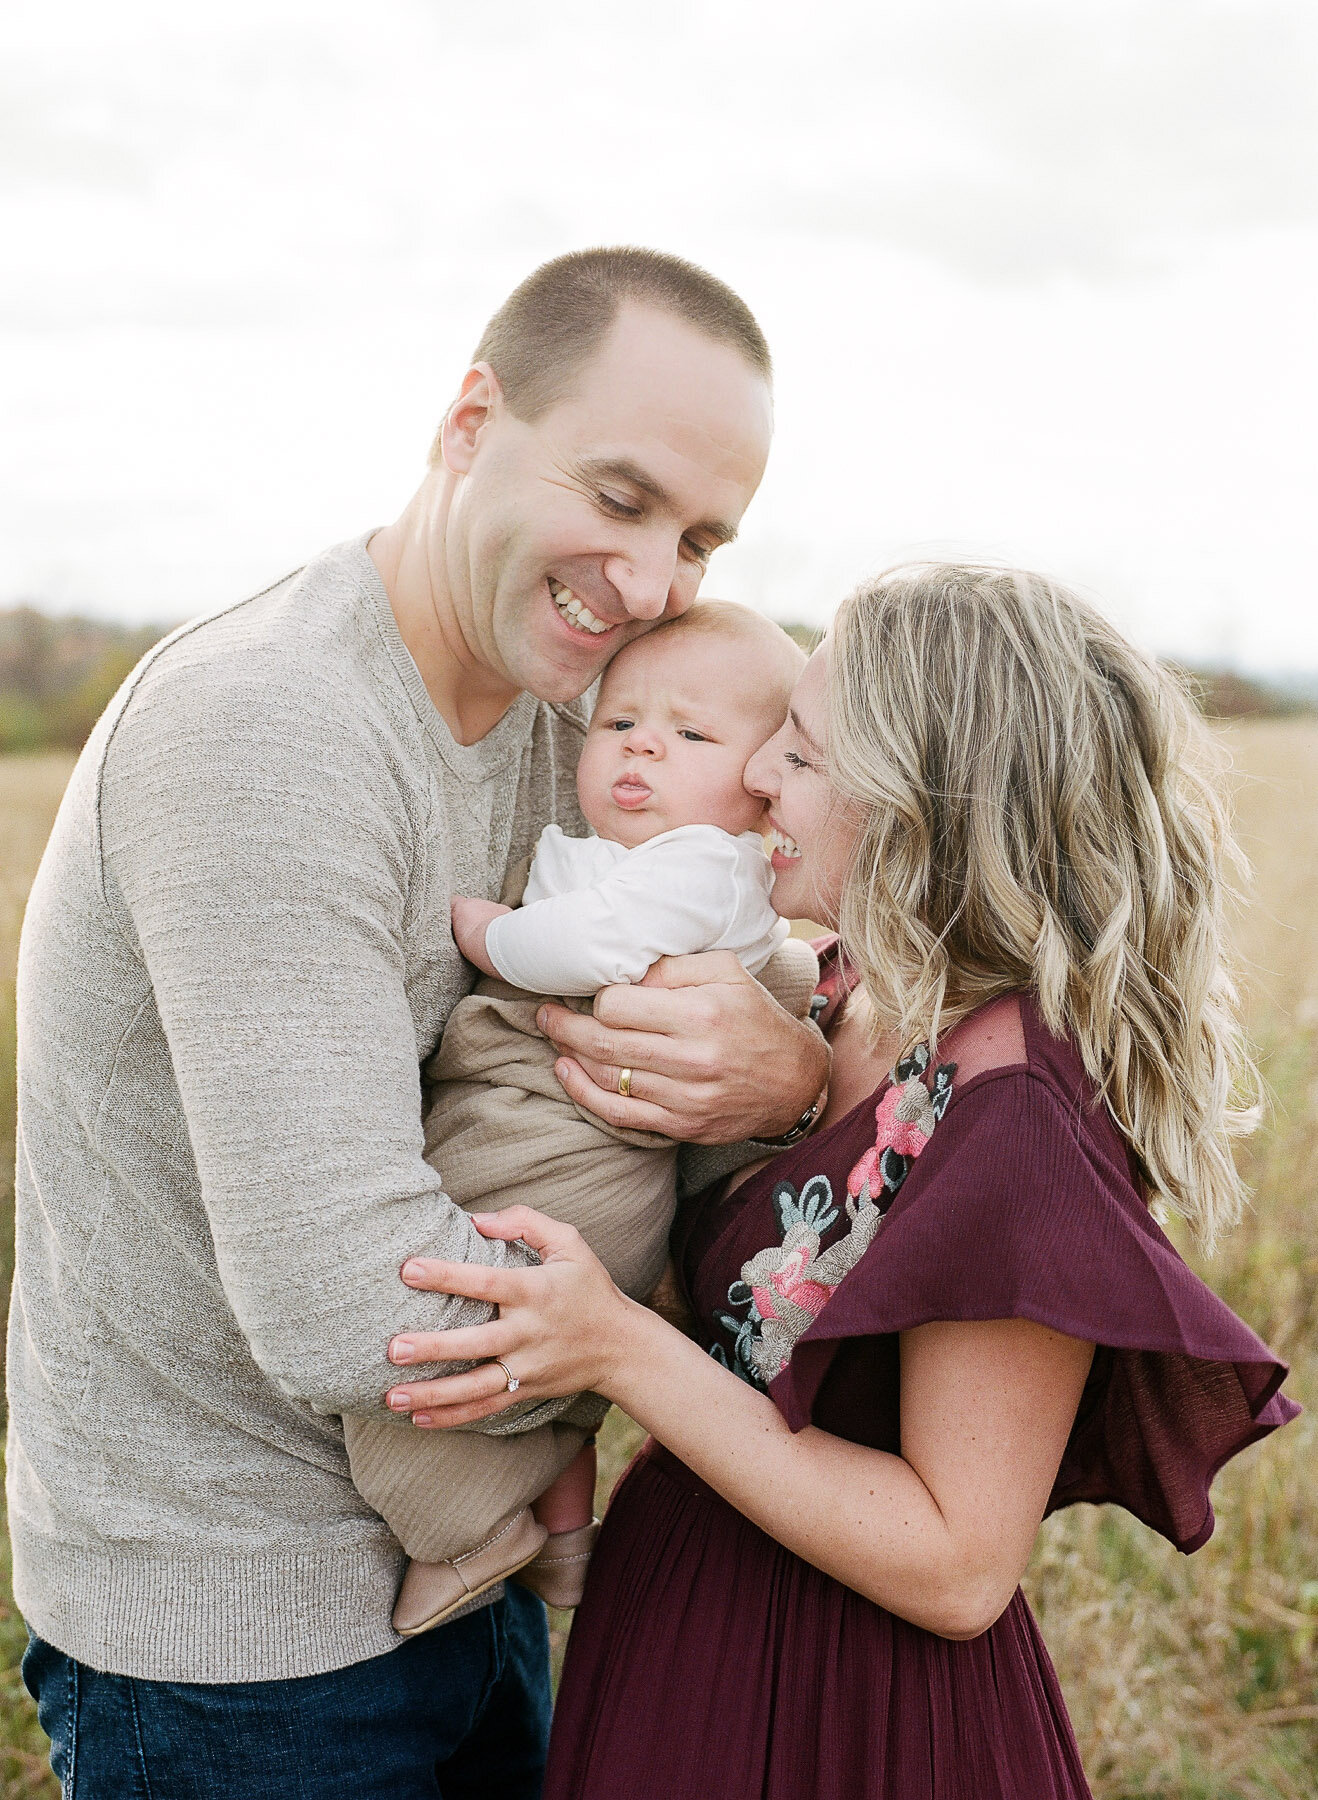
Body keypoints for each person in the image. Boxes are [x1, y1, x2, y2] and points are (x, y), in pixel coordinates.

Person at [9, 248, 829, 1799]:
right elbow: (341, 1307)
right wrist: (660, 1361)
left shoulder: (585, 719)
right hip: (237, 1648)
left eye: (700, 538)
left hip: (473, 1552)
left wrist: (781, 1081)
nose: (650, 584)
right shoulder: (269, 728)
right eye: (619, 496)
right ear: (468, 420)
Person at [383, 563, 1300, 1800]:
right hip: (685, 1623)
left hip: (840, 1710)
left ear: (924, 806)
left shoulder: (1015, 1116)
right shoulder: (839, 991)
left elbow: (957, 1568)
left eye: (801, 755)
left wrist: (613, 1348)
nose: (756, 777)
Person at [344, 601, 816, 1637]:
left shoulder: (705, 864)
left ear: (764, 784)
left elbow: (592, 949)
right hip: (536, 1098)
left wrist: (490, 933)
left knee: (452, 1324)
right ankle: (558, 1535)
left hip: (577, 1137)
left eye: (692, 735)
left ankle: (461, 1533)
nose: (643, 742)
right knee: (548, 1372)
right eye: (620, 722)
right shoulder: (614, 849)